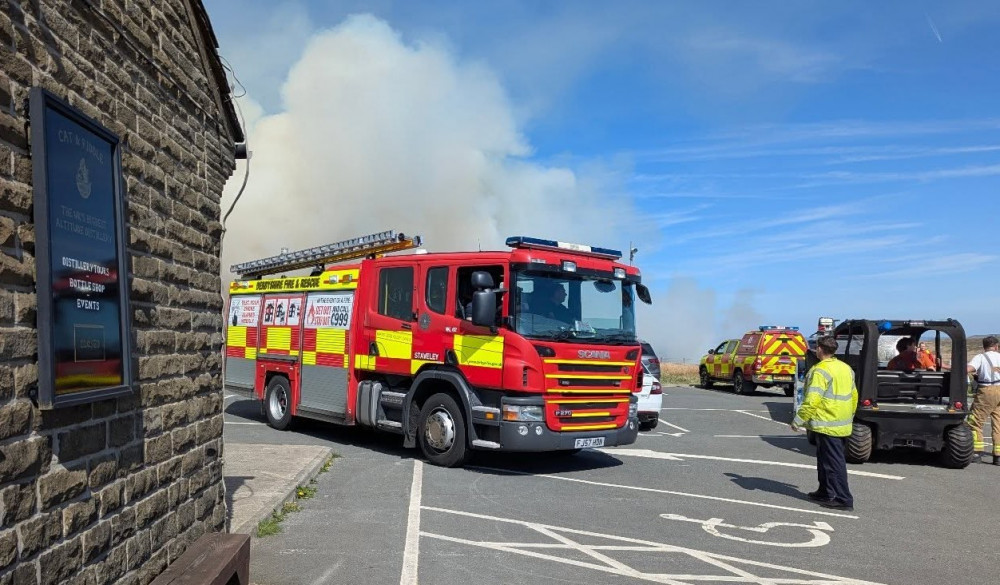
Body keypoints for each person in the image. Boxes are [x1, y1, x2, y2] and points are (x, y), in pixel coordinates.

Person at [791, 335, 859, 511]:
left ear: (820, 349)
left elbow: (812, 399)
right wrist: (849, 415)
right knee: (824, 460)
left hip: (827, 423)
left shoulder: (819, 371)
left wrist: (799, 419)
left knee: (834, 463)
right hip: (840, 422)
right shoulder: (846, 368)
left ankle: (843, 499)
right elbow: (854, 395)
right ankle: (825, 491)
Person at [966, 335, 1000, 465]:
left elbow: (968, 369)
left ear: (984, 346)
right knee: (998, 423)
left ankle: (976, 452)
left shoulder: (980, 357)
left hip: (987, 390)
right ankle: (998, 456)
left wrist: (948, 367)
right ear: (996, 346)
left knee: (974, 421)